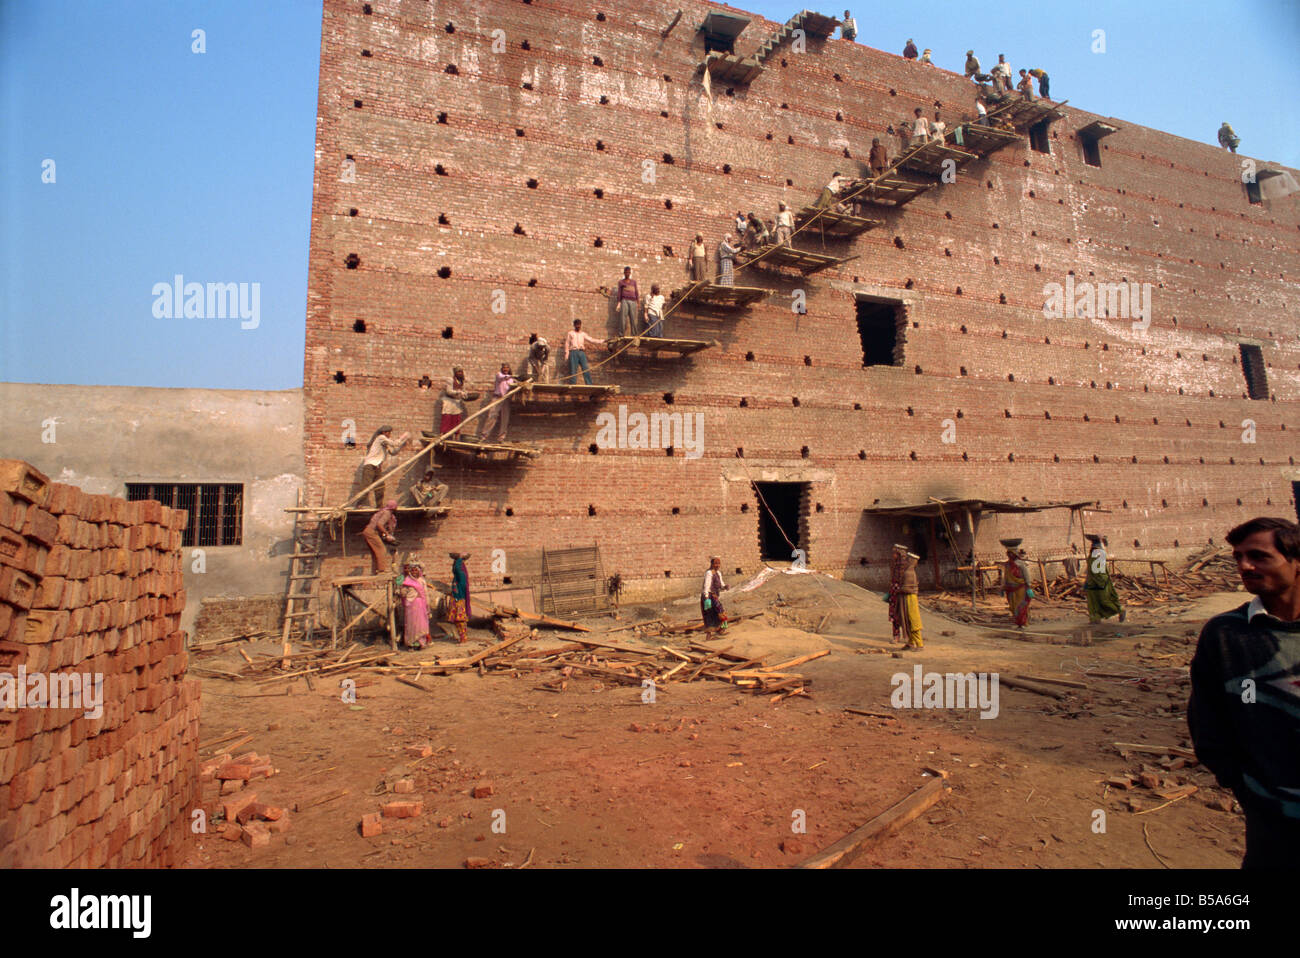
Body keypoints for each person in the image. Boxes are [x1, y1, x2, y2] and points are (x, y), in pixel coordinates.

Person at [1188, 517, 1300, 868]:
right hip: (1273, 819)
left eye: (1258, 556)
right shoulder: (1225, 635)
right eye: (1238, 557)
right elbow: (1207, 721)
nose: (1244, 566)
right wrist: (1247, 786)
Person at [360, 426, 410, 509]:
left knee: (380, 487)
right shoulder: (381, 438)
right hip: (370, 465)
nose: (390, 434)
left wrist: (402, 446)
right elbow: (395, 443)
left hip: (377, 467)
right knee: (366, 486)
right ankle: (360, 504)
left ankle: (379, 506)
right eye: (389, 432)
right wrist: (404, 437)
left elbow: (393, 452)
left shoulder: (385, 443)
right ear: (384, 432)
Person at [1084, 534, 1126, 624]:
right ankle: (1095, 618)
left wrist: (1100, 582)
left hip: (1099, 581)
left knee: (1104, 600)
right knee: (1093, 601)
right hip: (1092, 581)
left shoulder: (1098, 553)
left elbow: (1099, 570)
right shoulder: (1093, 554)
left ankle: (1120, 610)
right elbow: (1091, 569)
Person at [478, 362, 517, 442]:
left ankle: (501, 438)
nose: (505, 369)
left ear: (509, 369)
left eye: (507, 368)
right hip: (497, 398)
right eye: (504, 368)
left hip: (506, 399)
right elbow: (502, 377)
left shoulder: (511, 380)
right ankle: (484, 436)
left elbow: (513, 385)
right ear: (502, 369)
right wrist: (514, 377)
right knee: (492, 416)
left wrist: (516, 381)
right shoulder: (499, 375)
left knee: (505, 418)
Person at [400, 558, 432, 649]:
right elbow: (403, 593)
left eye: (416, 570)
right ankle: (411, 644)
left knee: (421, 624)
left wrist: (427, 605)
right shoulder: (407, 581)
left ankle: (421, 643)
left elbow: (426, 594)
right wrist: (403, 591)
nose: (414, 572)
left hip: (421, 605)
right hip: (411, 605)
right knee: (412, 624)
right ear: (410, 571)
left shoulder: (422, 581)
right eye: (412, 570)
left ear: (419, 571)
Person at [1001, 540, 1032, 628]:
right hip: (1010, 589)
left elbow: (1026, 575)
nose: (1010, 555)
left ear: (1014, 554)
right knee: (1013, 607)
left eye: (1011, 553)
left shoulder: (1021, 563)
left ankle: (1023, 623)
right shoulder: (1007, 564)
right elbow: (1005, 577)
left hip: (1020, 589)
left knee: (1021, 606)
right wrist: (1002, 587)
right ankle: (1018, 622)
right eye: (1008, 553)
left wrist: (1029, 586)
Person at [563, 318, 604, 385]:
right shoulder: (570, 333)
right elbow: (567, 344)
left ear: (580, 325)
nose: (578, 326)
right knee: (573, 370)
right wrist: (566, 355)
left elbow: (591, 340)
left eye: (579, 325)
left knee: (585, 368)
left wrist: (602, 341)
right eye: (576, 325)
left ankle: (589, 384)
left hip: (581, 352)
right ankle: (573, 385)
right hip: (573, 352)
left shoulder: (583, 334)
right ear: (574, 325)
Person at [438, 367, 477, 435]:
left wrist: (464, 394)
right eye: (458, 372)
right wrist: (457, 392)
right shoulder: (450, 380)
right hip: (449, 401)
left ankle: (455, 436)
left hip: (457, 402)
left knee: (456, 419)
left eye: (461, 372)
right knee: (447, 417)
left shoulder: (462, 381)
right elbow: (449, 391)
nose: (460, 373)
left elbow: (463, 390)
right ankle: (443, 435)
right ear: (455, 373)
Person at [362, 500, 398, 574]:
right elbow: (379, 524)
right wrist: (387, 534)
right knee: (382, 550)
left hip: (369, 531)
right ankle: (381, 570)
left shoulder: (382, 511)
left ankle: (377, 570)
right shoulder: (387, 513)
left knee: (376, 552)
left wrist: (385, 535)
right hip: (371, 532)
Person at [447, 551, 472, 644]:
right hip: (456, 598)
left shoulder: (461, 575)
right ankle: (462, 637)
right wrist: (458, 560)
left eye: (456, 563)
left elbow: (456, 569)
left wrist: (460, 559)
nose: (454, 565)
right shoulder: (457, 576)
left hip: (459, 600)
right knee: (457, 621)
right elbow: (454, 569)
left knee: (460, 620)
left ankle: (463, 638)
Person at [701, 555, 729, 634]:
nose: (718, 565)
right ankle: (714, 631)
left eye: (719, 563)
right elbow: (707, 586)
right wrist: (706, 597)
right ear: (712, 564)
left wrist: (725, 587)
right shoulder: (709, 573)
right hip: (709, 597)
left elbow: (721, 585)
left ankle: (722, 629)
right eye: (716, 563)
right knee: (712, 614)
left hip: (715, 596)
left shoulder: (718, 573)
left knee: (720, 613)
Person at [616, 266, 639, 337]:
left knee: (633, 319)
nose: (627, 274)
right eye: (626, 272)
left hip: (633, 301)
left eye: (629, 272)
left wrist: (638, 302)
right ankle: (621, 334)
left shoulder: (633, 282)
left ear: (630, 273)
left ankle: (634, 335)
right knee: (623, 318)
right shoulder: (621, 282)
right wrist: (619, 303)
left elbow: (636, 292)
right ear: (624, 273)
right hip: (624, 301)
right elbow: (619, 293)